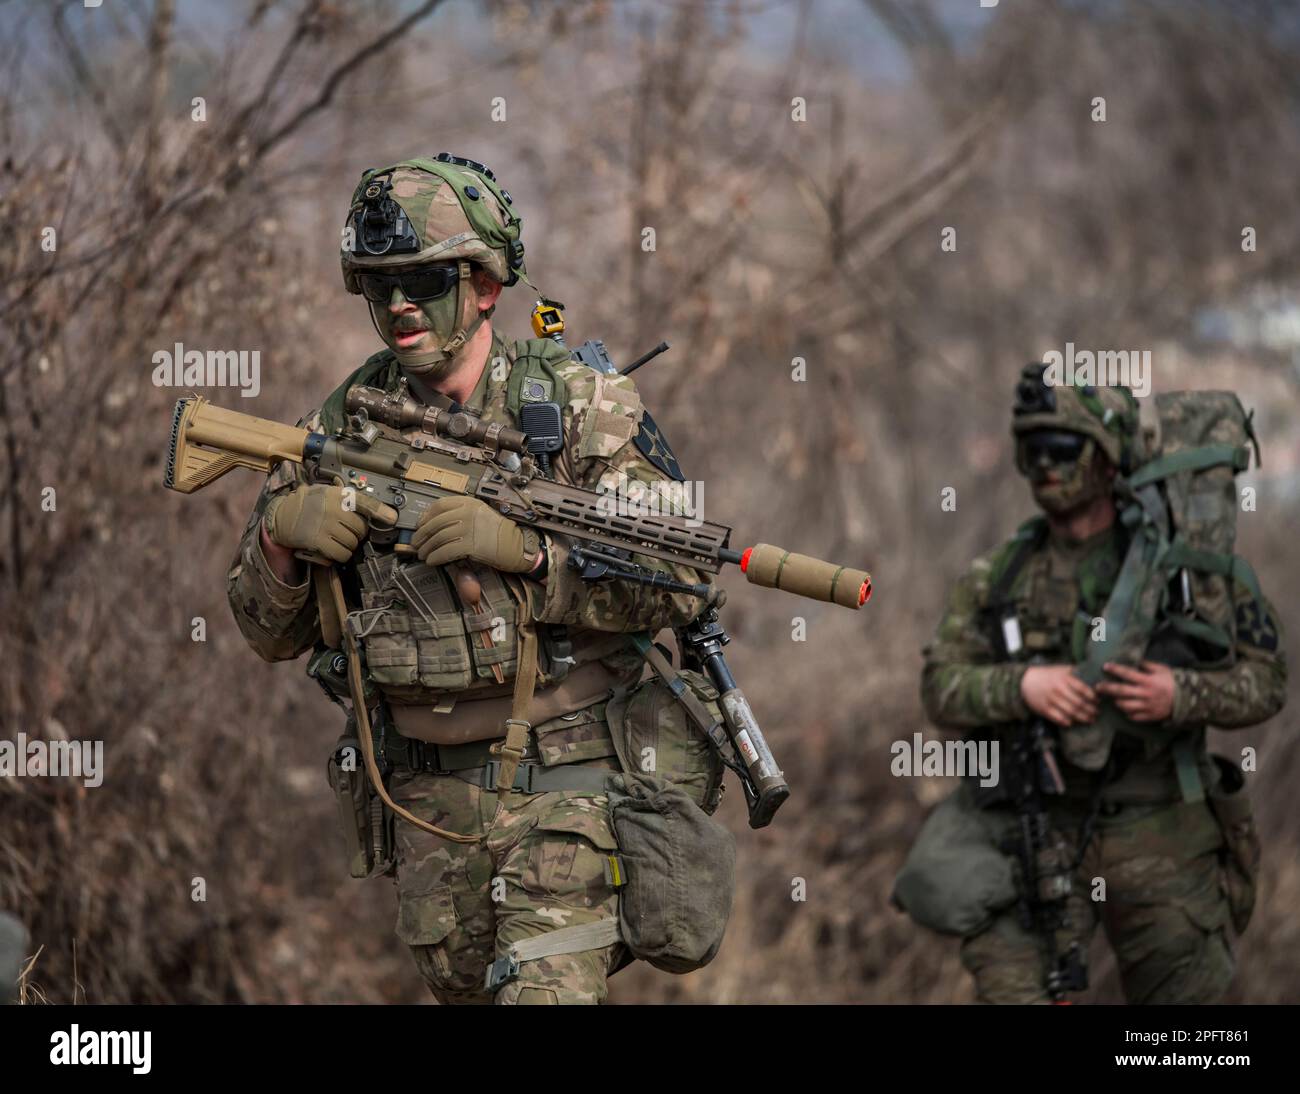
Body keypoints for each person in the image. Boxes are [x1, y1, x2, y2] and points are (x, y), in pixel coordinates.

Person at [225, 155, 724, 1004]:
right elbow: (268, 634)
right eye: (380, 287)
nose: (401, 306)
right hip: (428, 812)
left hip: (574, 786)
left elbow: (680, 573)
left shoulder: (579, 406)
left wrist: (532, 557)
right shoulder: (340, 425)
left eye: (425, 280)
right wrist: (279, 542)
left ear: (488, 284)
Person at [894, 364, 1286, 1004]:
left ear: (1107, 460)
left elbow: (1267, 681)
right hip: (1040, 832)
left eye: (1063, 450)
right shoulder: (1001, 574)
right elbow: (941, 687)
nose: (1045, 466)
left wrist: (1181, 695)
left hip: (1162, 829)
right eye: (1033, 451)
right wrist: (1023, 688)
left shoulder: (1182, 565)